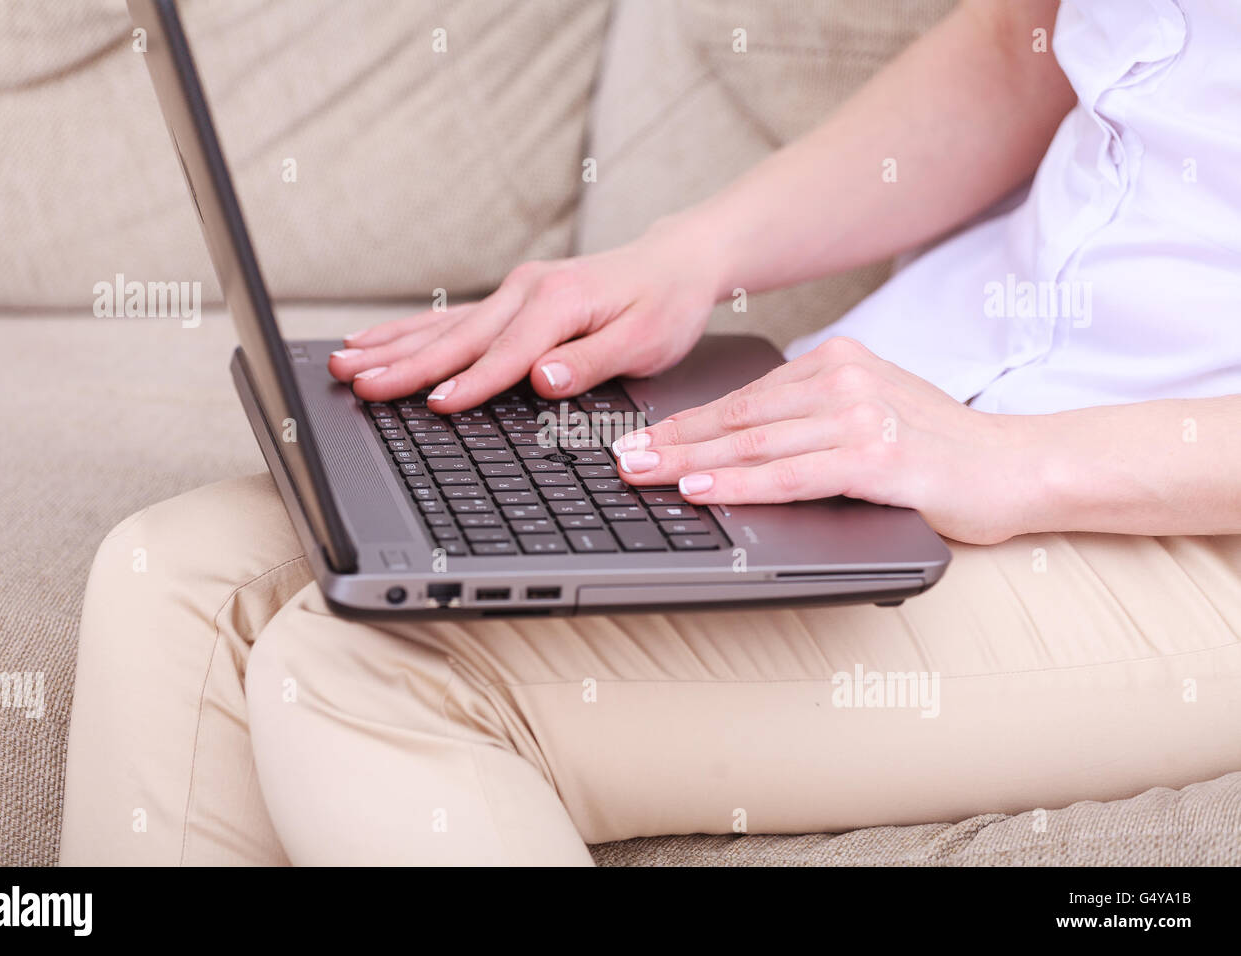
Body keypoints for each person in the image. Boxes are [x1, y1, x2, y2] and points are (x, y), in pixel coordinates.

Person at [61, 0, 1241, 865]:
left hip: (1170, 509)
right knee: (170, 581)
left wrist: (1015, 463)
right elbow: (1021, 42)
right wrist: (689, 255)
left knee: (363, 674)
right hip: (910, 388)